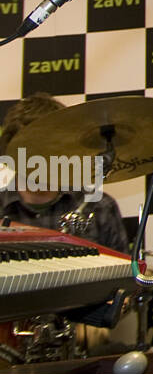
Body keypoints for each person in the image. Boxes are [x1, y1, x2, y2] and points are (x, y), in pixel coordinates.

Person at [0, 93, 130, 255]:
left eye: (49, 148)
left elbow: (124, 271)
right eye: (29, 149)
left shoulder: (100, 208)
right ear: (9, 152)